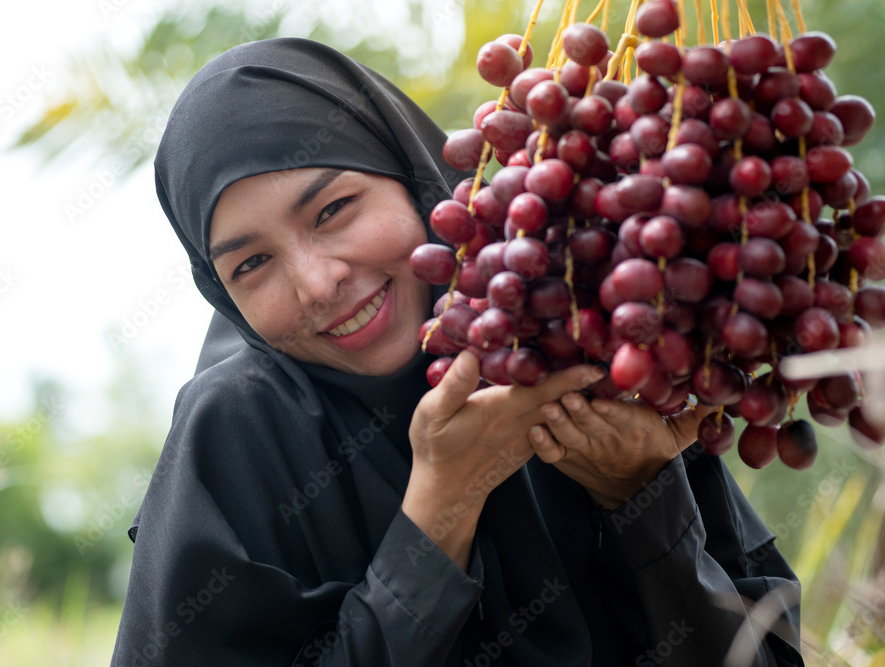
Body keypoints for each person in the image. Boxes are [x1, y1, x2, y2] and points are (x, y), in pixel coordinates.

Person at [111, 37, 803, 666]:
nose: (317, 283)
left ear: (414, 179)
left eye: (332, 210)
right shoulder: (236, 432)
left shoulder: (580, 344)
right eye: (252, 263)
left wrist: (643, 498)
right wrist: (442, 505)